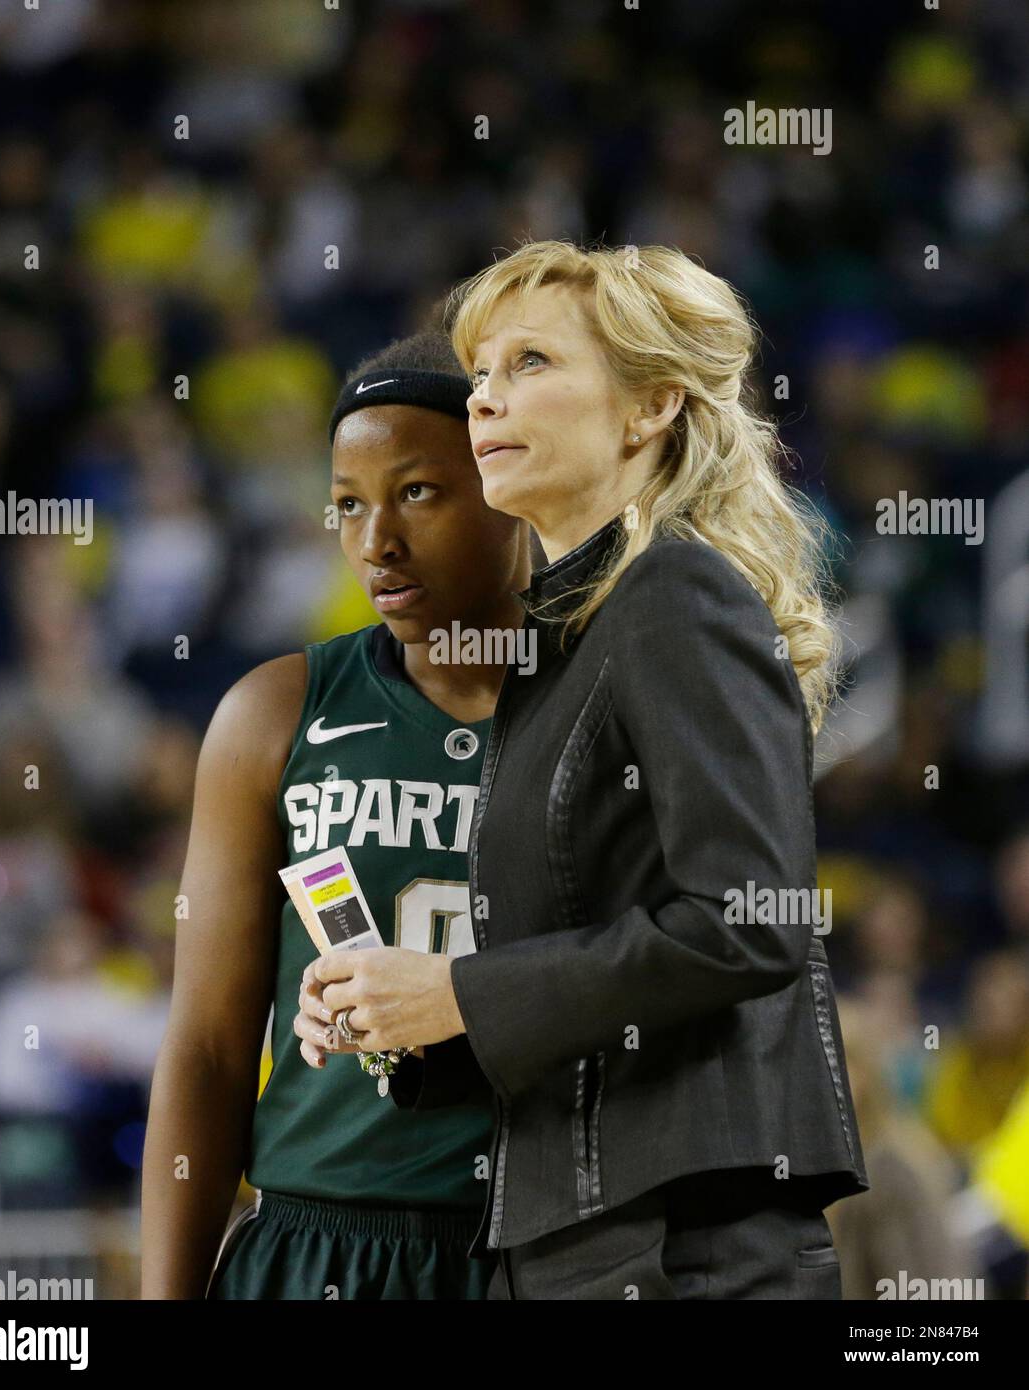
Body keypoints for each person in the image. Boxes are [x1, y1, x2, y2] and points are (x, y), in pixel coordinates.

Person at [299, 240, 870, 1300]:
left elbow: (753, 920)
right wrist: (401, 1017)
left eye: (530, 365)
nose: (485, 402)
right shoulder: (564, 646)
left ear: (649, 408)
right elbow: (586, 984)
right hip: (587, 1236)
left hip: (691, 1242)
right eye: (479, 376)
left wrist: (458, 990)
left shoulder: (674, 593)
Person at [140, 330, 532, 1299]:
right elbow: (208, 1049)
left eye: (418, 493)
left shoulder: (609, 705)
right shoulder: (272, 715)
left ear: (509, 489)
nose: (375, 542)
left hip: (537, 1250)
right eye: (349, 505)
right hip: (315, 1247)